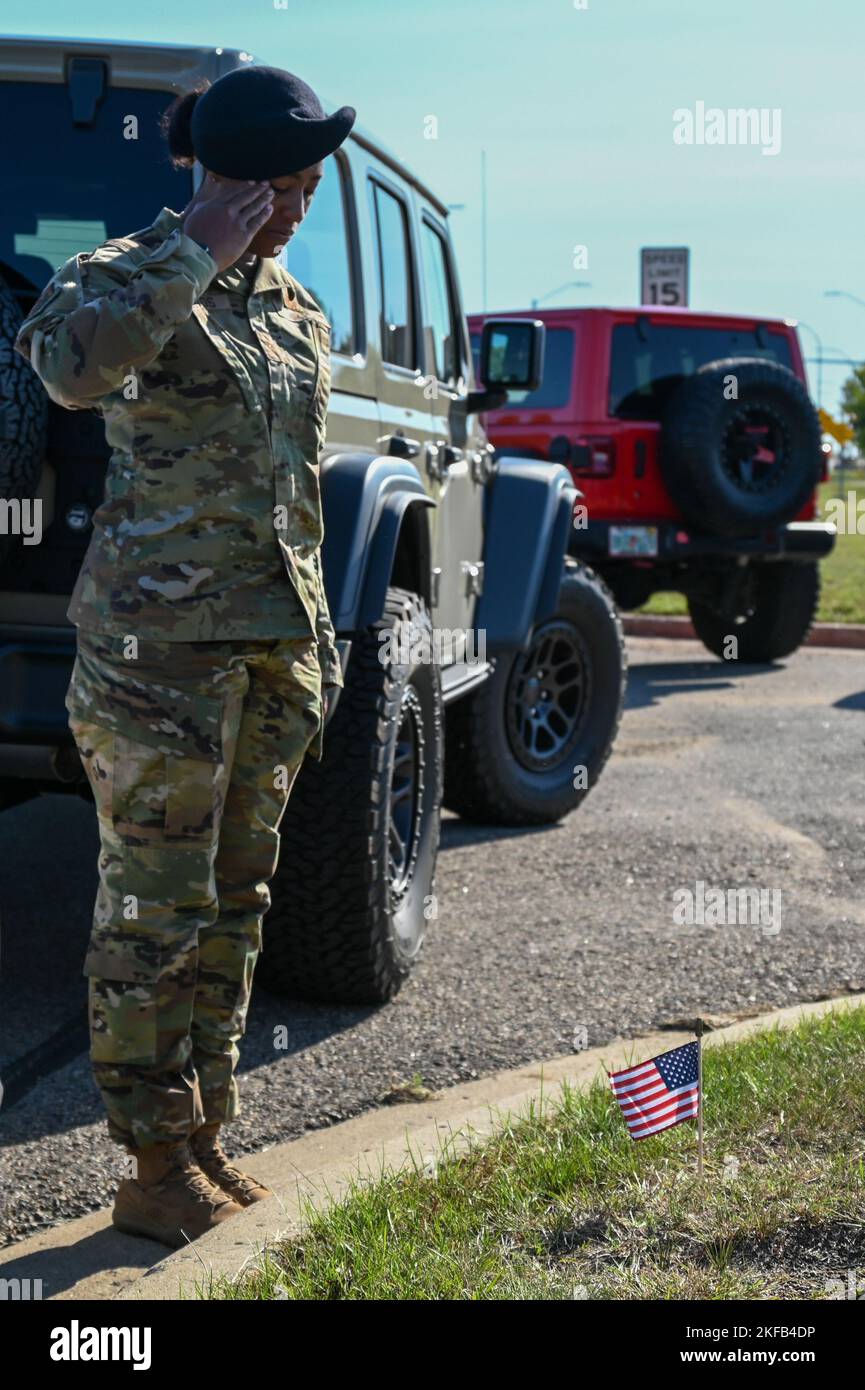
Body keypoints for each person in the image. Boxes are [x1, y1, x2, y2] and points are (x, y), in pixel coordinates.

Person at [13, 65, 356, 1248]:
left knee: (234, 902)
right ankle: (151, 1162)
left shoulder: (298, 310)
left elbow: (295, 496)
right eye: (295, 172)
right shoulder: (121, 273)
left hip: (270, 656)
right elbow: (67, 368)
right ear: (241, 169)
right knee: (153, 910)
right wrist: (191, 255)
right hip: (155, 662)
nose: (309, 193)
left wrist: (318, 644)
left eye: (315, 173)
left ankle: (209, 1128)